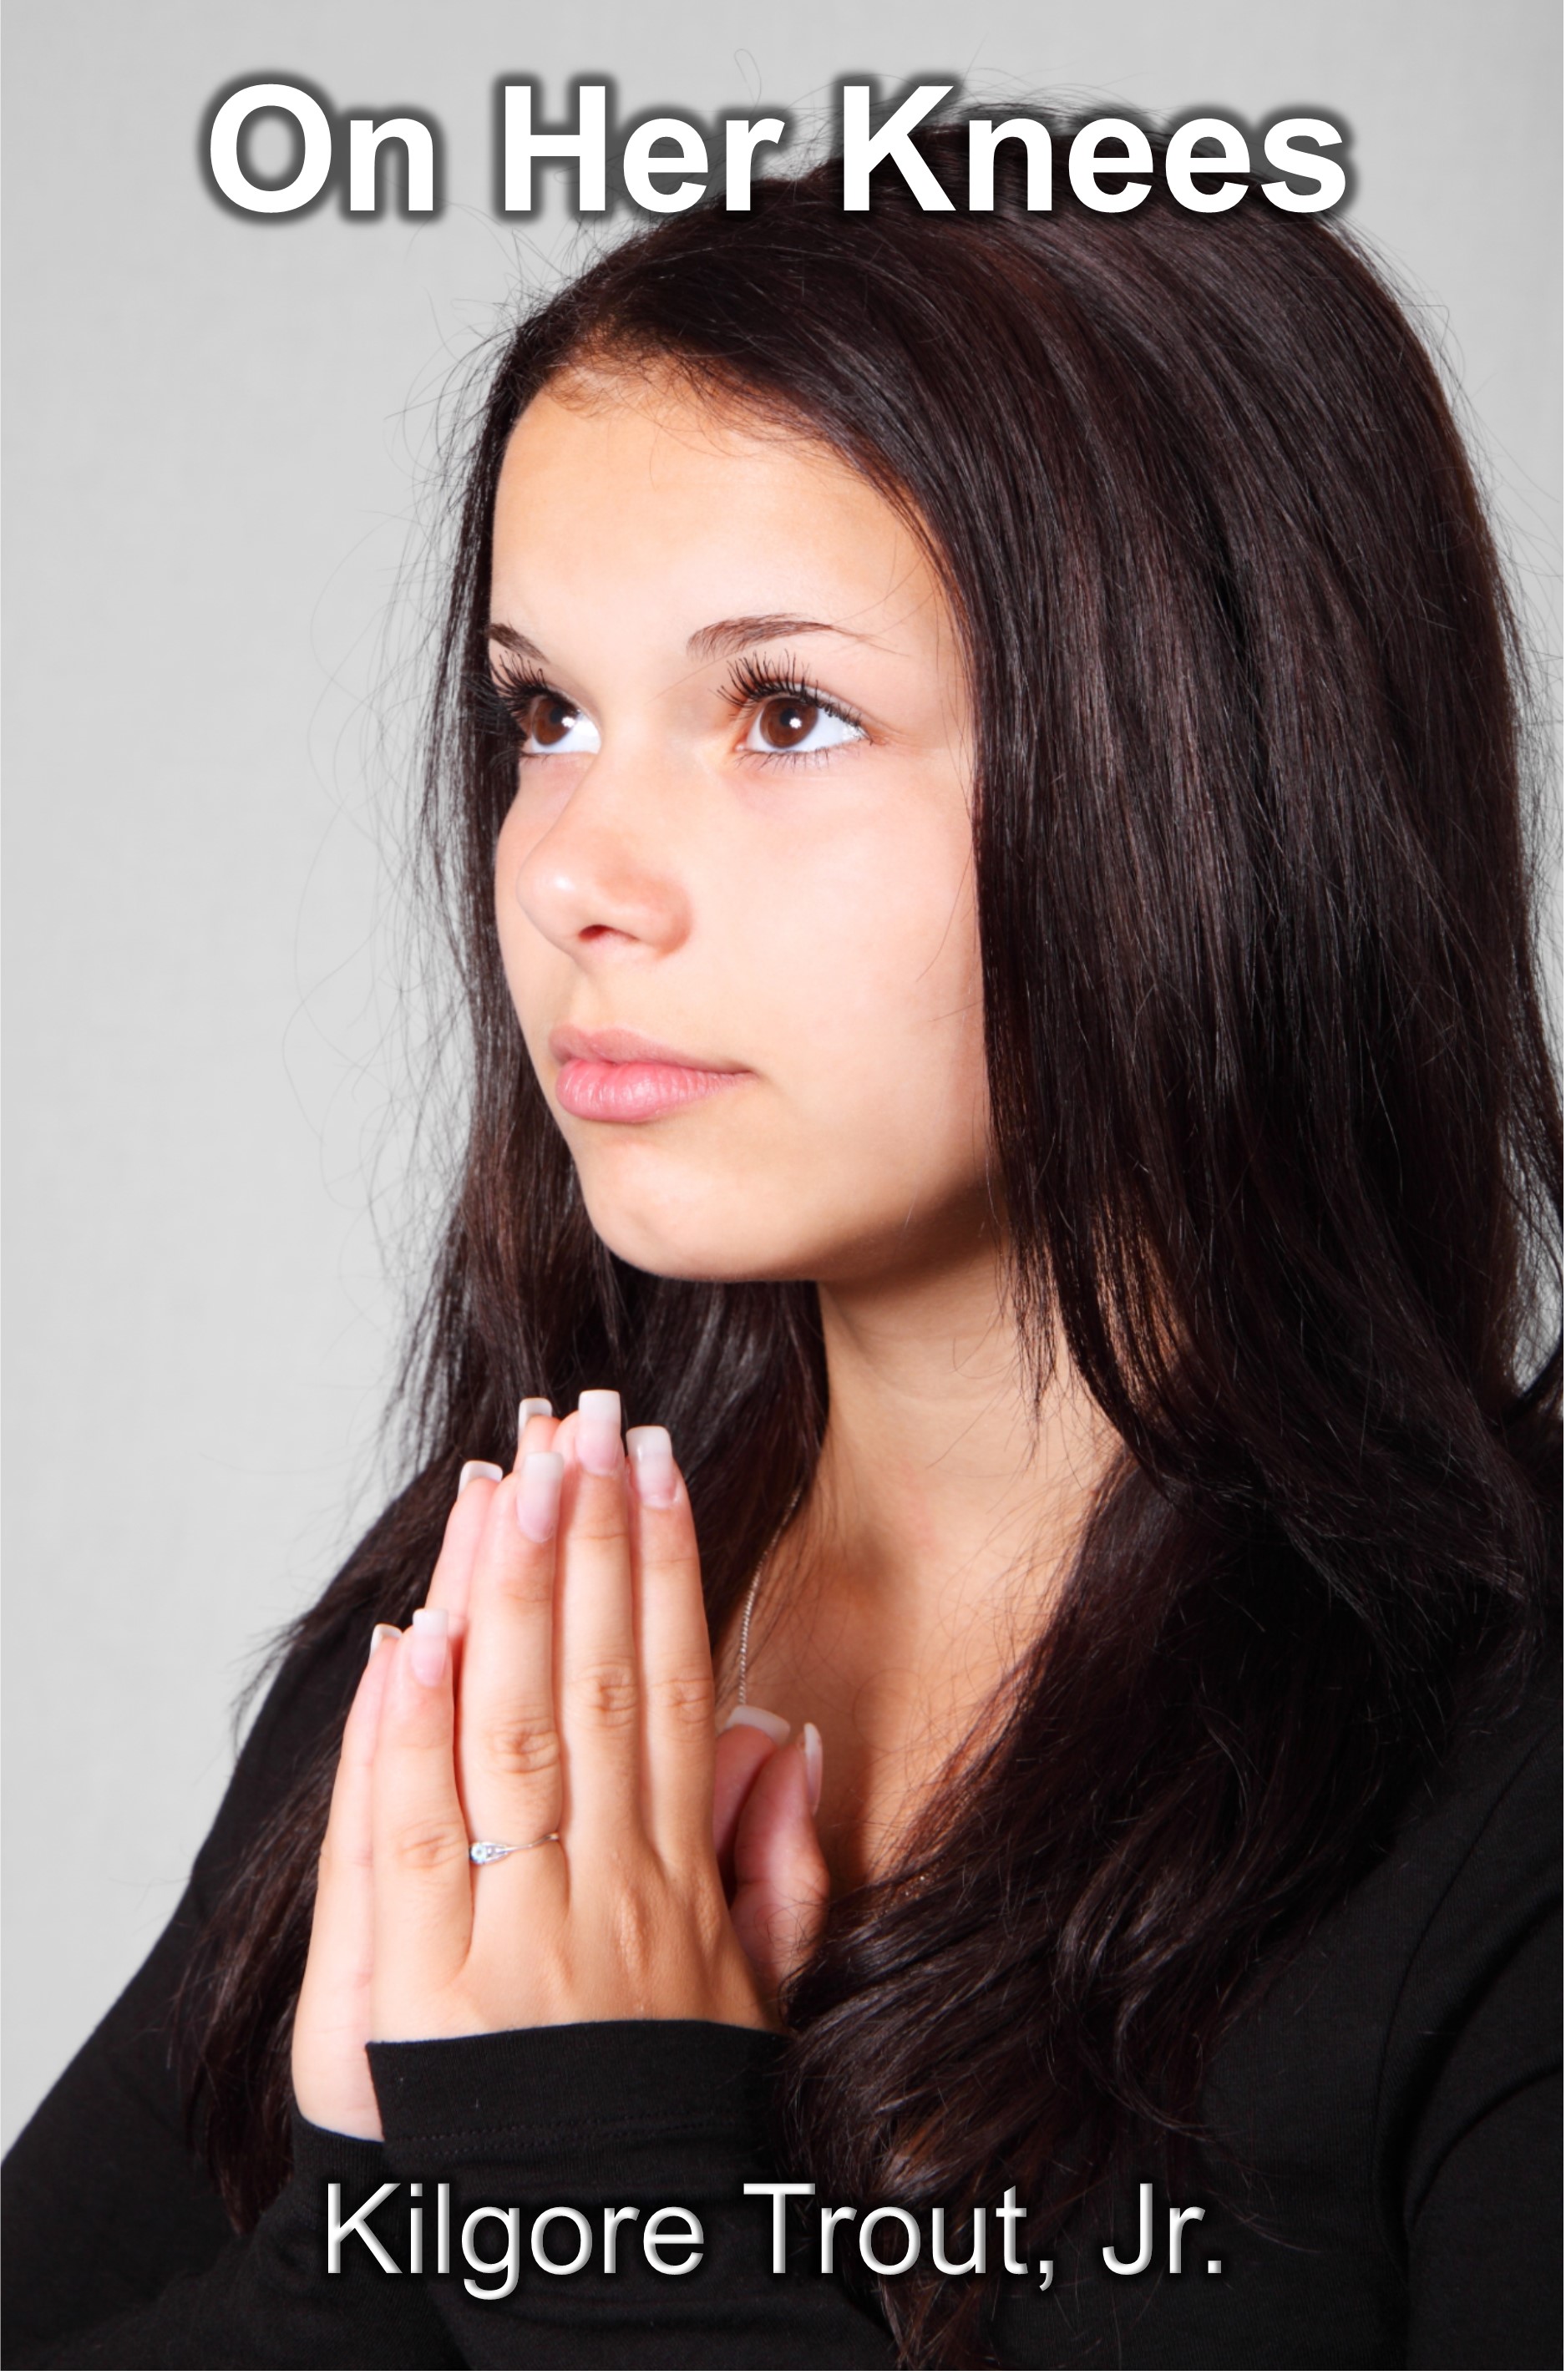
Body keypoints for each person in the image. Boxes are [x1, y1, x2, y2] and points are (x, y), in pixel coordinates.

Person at [4, 122, 1559, 2371]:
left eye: (783, 712)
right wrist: (366, 2239)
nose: (571, 873)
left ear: (1216, 759)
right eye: (544, 713)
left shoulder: (1507, 1787)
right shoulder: (479, 1650)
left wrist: (575, 2154)